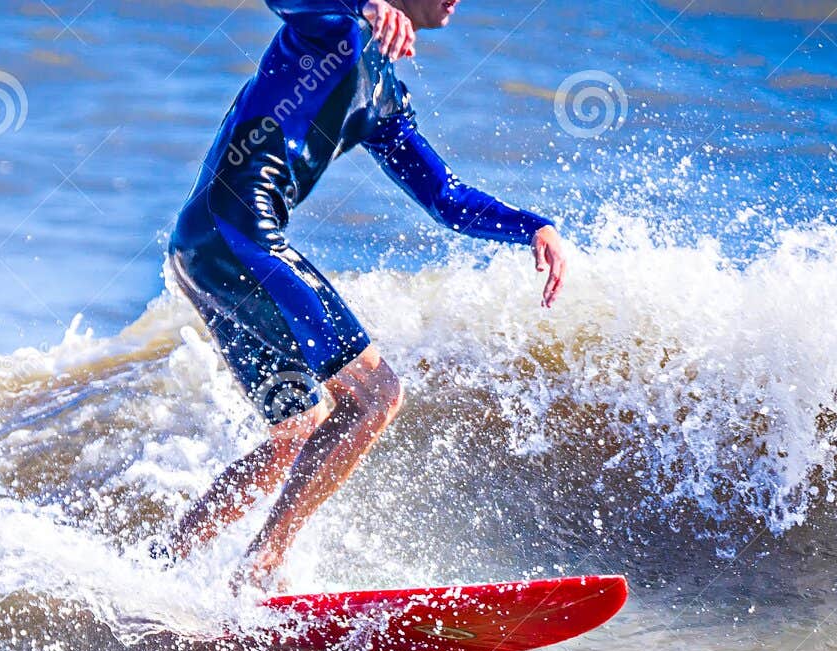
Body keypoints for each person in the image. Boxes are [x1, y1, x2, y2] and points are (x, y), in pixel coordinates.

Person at [164, 0, 566, 591]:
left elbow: (447, 199)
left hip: (201, 247)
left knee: (299, 429)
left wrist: (532, 226)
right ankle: (256, 576)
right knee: (378, 395)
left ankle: (161, 568)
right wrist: (363, 2)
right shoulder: (338, 27)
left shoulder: (382, 97)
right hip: (238, 233)